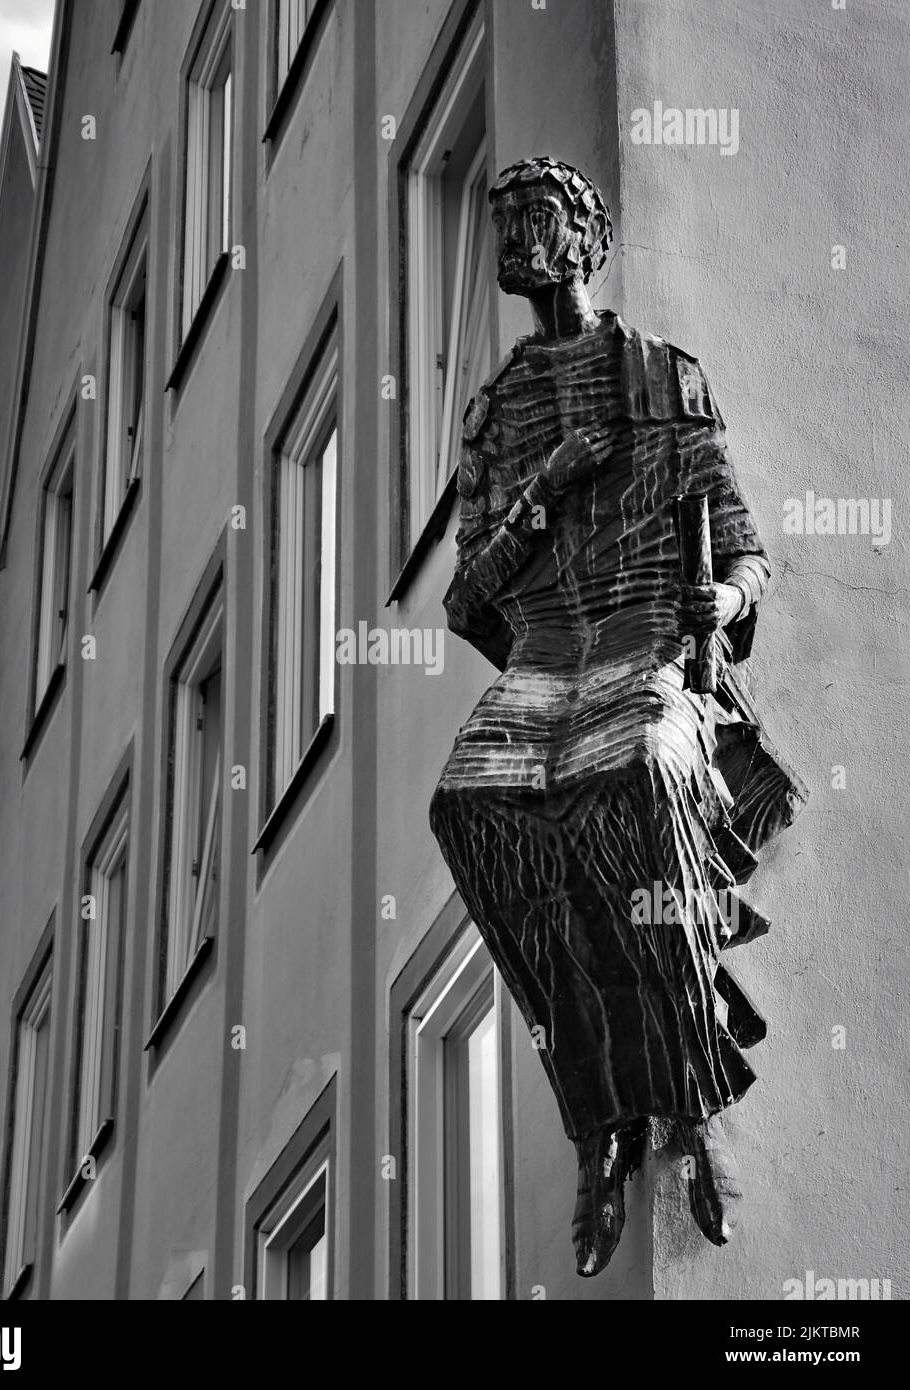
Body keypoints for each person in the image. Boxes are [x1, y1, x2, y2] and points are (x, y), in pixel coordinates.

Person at [429, 156, 807, 1277]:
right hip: (546, 655)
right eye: (501, 220)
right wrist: (546, 480)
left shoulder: (656, 373)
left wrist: (724, 598)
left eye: (535, 215)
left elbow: (741, 544)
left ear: (583, 236)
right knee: (472, 805)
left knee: (634, 767)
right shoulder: (497, 413)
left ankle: (689, 1101)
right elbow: (462, 597)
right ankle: (597, 1116)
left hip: (645, 640)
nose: (513, 236)